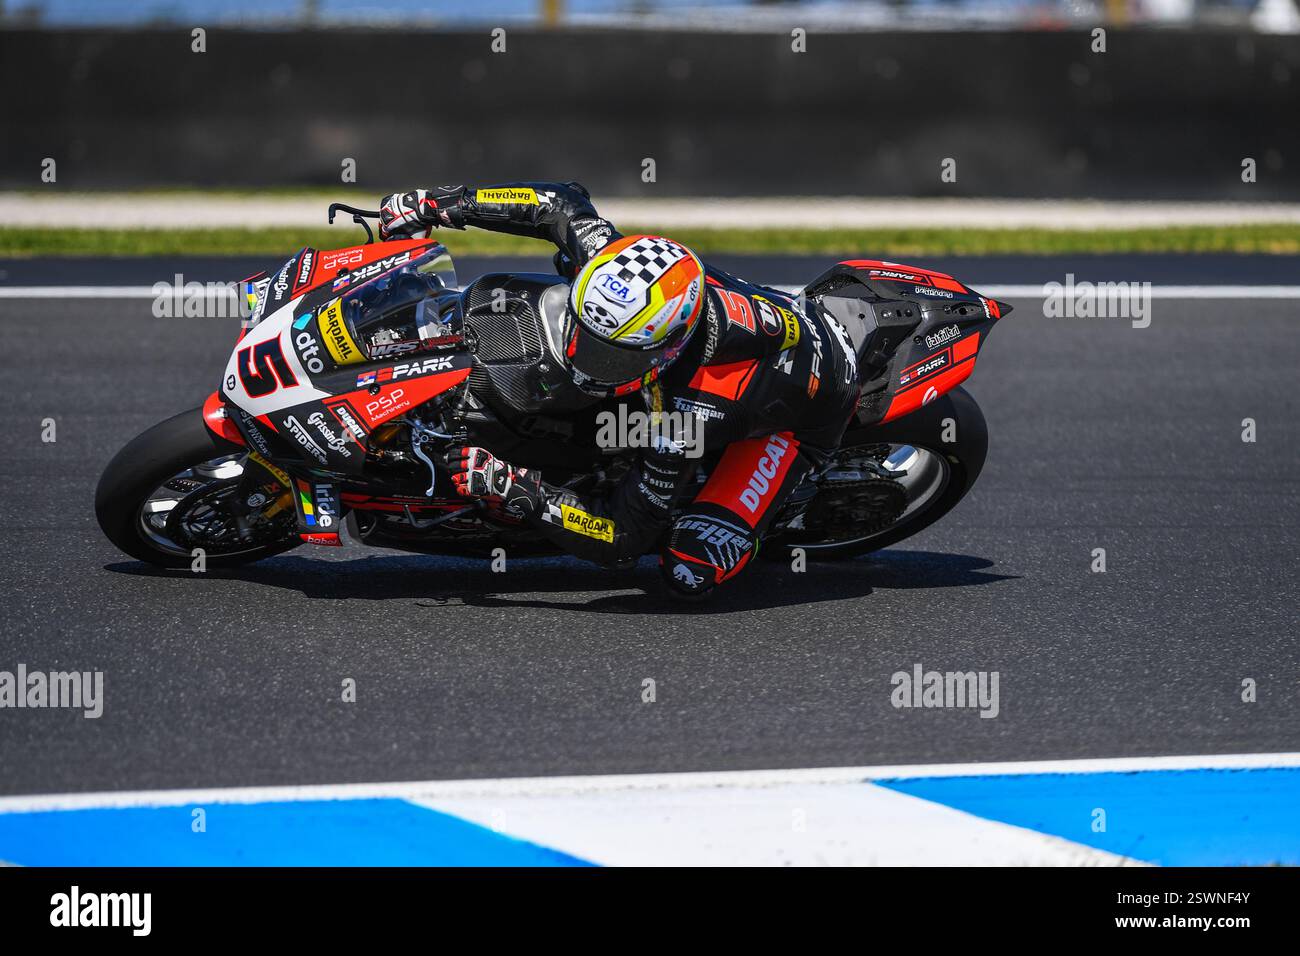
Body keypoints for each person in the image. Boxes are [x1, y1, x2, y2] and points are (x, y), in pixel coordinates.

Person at [378, 182, 860, 598]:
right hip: (778, 327)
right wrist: (439, 204)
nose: (589, 361)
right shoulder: (623, 268)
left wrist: (521, 489)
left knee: (688, 569)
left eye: (611, 357)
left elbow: (622, 537)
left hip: (809, 416)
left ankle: (768, 499)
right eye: (587, 335)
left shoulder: (688, 415)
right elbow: (557, 201)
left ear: (666, 350)